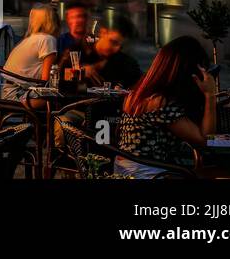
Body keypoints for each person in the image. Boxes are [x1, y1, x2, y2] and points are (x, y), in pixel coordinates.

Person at [116, 36, 218, 177]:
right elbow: (205, 140)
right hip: (148, 172)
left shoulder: (140, 92)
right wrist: (210, 95)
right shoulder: (160, 103)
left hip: (128, 168)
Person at [1, 4, 59, 100]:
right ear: (52, 22)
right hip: (19, 94)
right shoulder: (47, 40)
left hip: (7, 92)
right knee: (57, 99)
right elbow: (45, 81)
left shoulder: (30, 39)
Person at [62, 20, 142, 88]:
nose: (117, 49)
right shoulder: (76, 52)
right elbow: (59, 81)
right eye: (114, 42)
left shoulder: (126, 62)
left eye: (121, 47)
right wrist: (79, 73)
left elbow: (139, 84)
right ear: (102, 32)